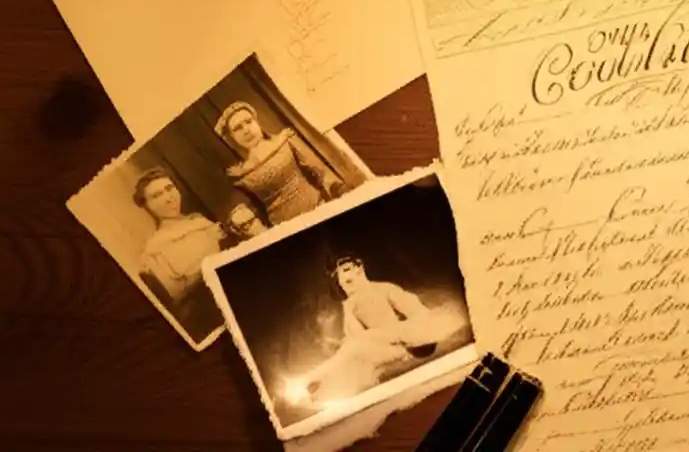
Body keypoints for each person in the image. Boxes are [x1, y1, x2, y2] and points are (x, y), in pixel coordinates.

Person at [283, 256, 457, 406]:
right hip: (374, 350)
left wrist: (408, 336)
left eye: (347, 270)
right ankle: (317, 389)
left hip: (400, 344)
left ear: (359, 268)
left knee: (355, 350)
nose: (343, 278)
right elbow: (355, 340)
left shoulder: (383, 289)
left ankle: (311, 380)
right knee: (354, 356)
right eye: (339, 277)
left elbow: (418, 312)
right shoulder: (349, 305)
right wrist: (349, 311)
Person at [215, 101, 345, 226]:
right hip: (286, 227)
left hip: (318, 208)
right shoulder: (238, 174)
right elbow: (250, 210)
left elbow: (320, 172)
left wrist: (336, 188)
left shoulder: (284, 141)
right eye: (238, 128)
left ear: (257, 122)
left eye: (249, 121)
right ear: (231, 137)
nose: (246, 130)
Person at [133, 168, 224, 339]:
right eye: (157, 195)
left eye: (170, 188)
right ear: (146, 206)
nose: (169, 198)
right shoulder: (154, 251)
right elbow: (175, 298)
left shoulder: (200, 221)